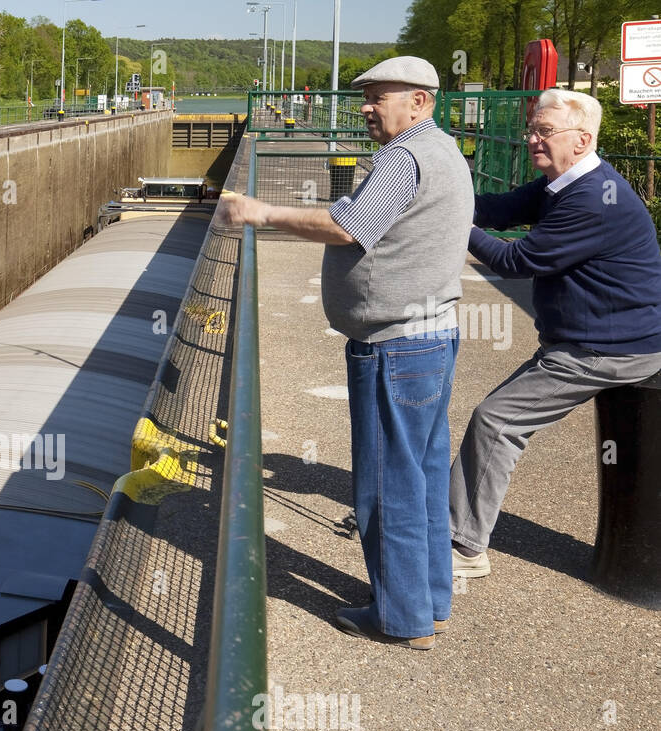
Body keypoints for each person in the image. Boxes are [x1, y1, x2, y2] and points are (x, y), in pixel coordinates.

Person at [222, 56, 474, 649]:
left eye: (378, 96)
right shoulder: (443, 151)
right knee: (422, 477)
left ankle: (400, 617)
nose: (365, 106)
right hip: (430, 338)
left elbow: (348, 226)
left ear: (420, 101)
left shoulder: (405, 155)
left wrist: (262, 213)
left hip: (394, 347)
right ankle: (430, 603)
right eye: (365, 96)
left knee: (388, 487)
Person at [451, 89, 661, 578]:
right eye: (532, 130)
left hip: (608, 350)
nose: (531, 140)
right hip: (598, 341)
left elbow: (515, 260)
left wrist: (449, 221)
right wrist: (448, 196)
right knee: (497, 418)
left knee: (496, 421)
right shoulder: (562, 184)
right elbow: (498, 209)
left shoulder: (593, 199)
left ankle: (463, 546)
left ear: (582, 140)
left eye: (544, 132)